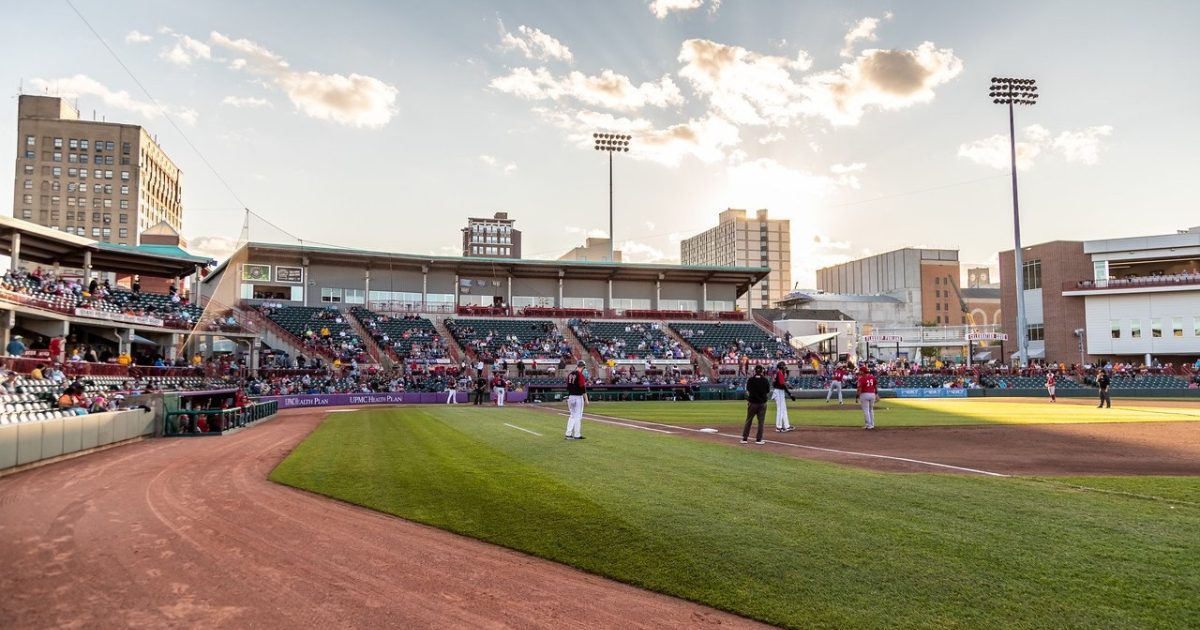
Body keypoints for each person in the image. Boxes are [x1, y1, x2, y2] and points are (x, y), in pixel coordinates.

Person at [741, 364, 771, 444]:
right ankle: (759, 439)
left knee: (748, 420)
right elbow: (768, 390)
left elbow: (748, 390)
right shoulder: (765, 380)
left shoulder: (751, 380)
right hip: (762, 403)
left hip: (752, 403)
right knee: (761, 422)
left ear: (755, 371)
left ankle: (744, 438)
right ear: (762, 371)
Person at [565, 360, 588, 440]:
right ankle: (577, 435)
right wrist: (587, 399)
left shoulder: (570, 374)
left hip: (570, 396)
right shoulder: (580, 375)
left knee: (572, 416)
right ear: (583, 367)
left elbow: (567, 387)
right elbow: (583, 388)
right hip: (578, 397)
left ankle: (568, 434)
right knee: (578, 416)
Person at [771, 362, 795, 432]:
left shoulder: (779, 373)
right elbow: (782, 385)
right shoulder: (779, 373)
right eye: (784, 367)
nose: (785, 368)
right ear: (781, 367)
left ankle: (787, 426)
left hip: (780, 392)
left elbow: (782, 383)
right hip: (778, 392)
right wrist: (790, 394)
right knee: (780, 410)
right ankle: (778, 427)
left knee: (783, 410)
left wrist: (788, 385)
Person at [856, 366, 878, 430]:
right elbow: (875, 386)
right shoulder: (872, 377)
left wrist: (857, 396)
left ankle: (868, 425)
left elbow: (859, 388)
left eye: (860, 371)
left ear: (863, 371)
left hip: (864, 394)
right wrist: (876, 394)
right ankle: (871, 424)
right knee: (871, 410)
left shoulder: (861, 378)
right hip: (872, 394)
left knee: (866, 410)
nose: (859, 372)